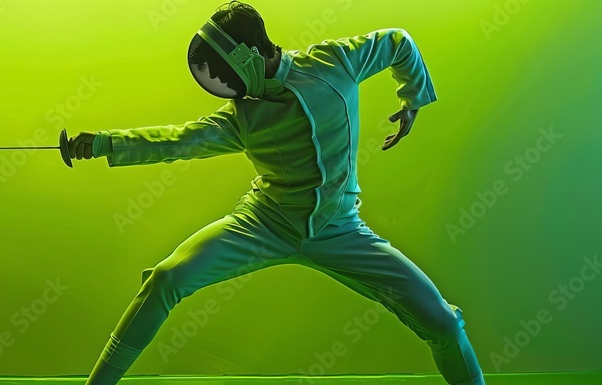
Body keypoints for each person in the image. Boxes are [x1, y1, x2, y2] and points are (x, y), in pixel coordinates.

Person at [66, 2, 485, 385]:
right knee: (165, 279)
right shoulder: (242, 117)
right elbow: (179, 140)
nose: (222, 83)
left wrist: (412, 98)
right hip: (263, 225)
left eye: (222, 71)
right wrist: (103, 143)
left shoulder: (334, 62)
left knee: (444, 324)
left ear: (248, 56)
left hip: (340, 231)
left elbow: (398, 41)